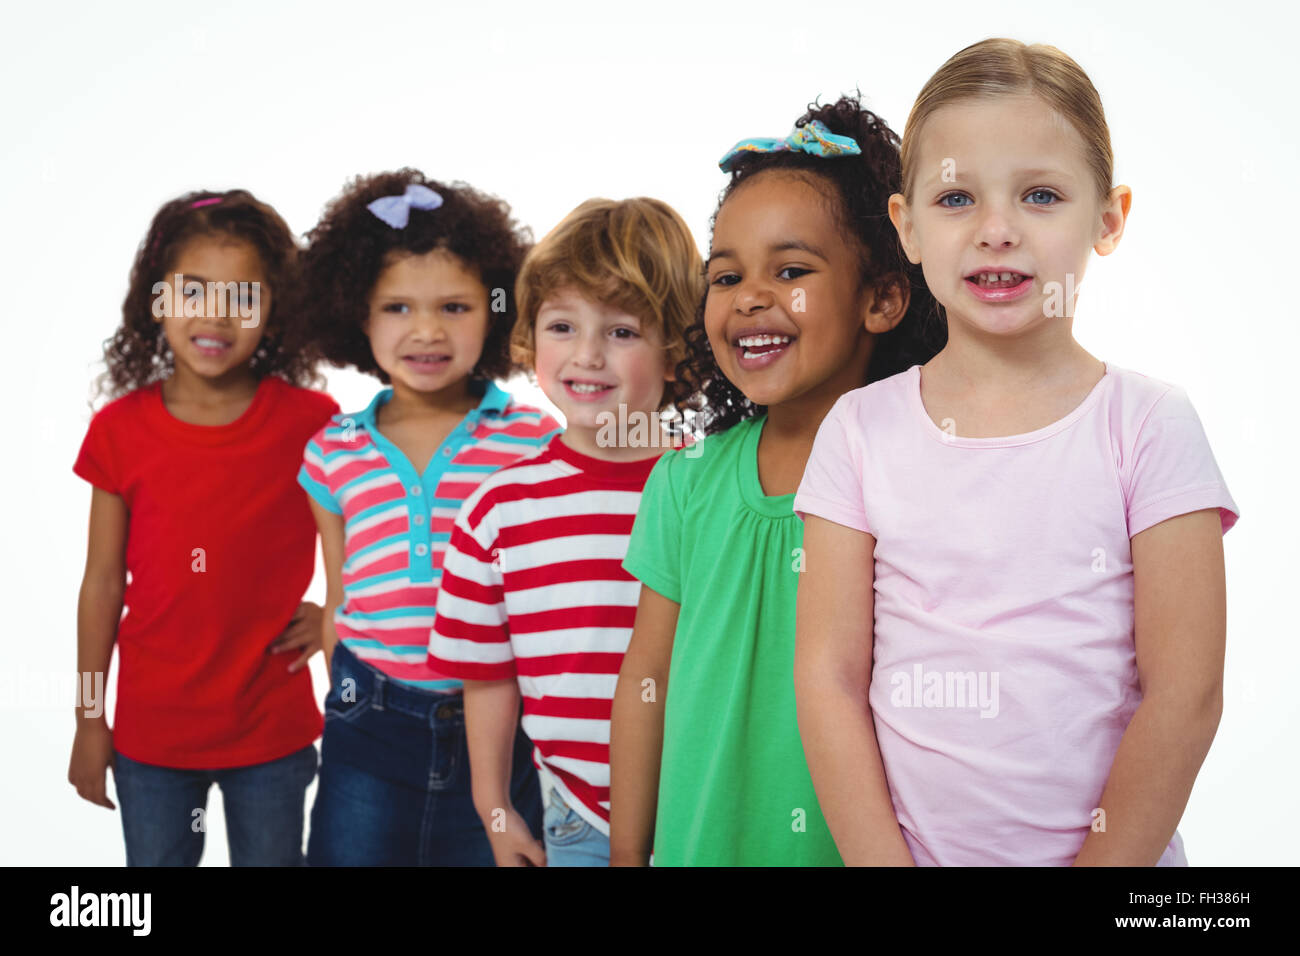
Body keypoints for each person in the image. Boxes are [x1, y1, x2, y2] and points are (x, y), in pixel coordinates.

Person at [793, 39, 1239, 866]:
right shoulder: (857, 434)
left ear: (1108, 218)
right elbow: (827, 681)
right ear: (909, 226)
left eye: (1040, 195)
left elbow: (1187, 694)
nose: (997, 231)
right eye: (957, 197)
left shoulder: (1149, 426)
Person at [609, 96, 944, 865]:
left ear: (883, 297)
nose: (751, 296)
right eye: (725, 276)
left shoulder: (922, 472)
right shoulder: (685, 480)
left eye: (791, 270)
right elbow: (646, 680)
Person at [297, 169, 562, 865]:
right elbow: (338, 596)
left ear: (495, 311)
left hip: (502, 730)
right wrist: (350, 696)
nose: (426, 331)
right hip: (368, 725)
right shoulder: (333, 450)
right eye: (397, 308)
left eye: (454, 307)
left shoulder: (532, 439)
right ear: (357, 314)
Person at [428, 198, 702, 865]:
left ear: (674, 353)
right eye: (561, 326)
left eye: (622, 332)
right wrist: (494, 810)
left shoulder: (707, 486)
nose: (587, 355)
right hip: (575, 817)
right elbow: (487, 676)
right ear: (528, 341)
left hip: (703, 804)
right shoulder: (498, 510)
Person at [70, 189, 338, 865]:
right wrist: (87, 719)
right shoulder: (119, 432)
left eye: (244, 296)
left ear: (276, 308)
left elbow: (365, 545)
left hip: (272, 735)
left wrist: (333, 612)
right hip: (152, 740)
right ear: (156, 299)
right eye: (192, 291)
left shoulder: (312, 424)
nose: (216, 315)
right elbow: (102, 585)